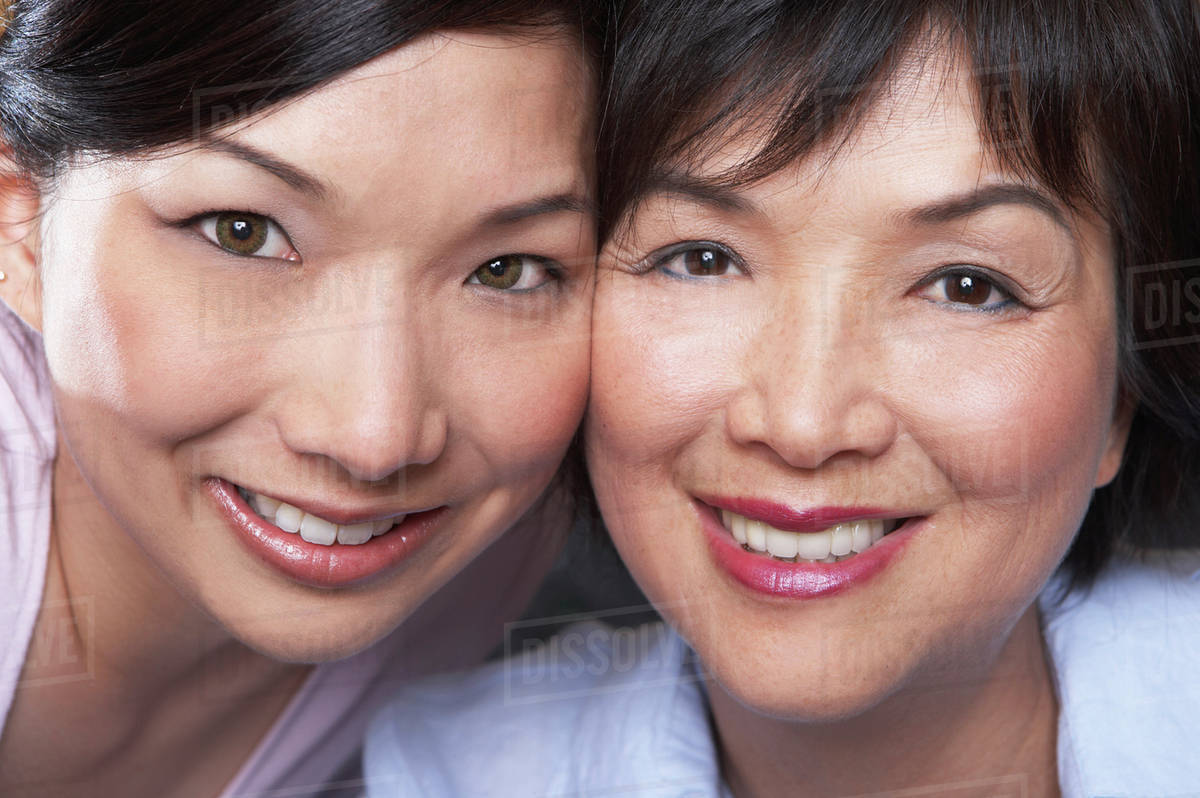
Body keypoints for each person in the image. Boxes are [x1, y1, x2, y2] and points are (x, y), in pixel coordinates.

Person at [363, 1, 1200, 795]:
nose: (803, 423)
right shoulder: (445, 774)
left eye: (966, 285)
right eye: (702, 259)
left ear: (1124, 391)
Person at [0, 1, 605, 795]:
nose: (376, 441)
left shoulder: (492, 543)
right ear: (21, 226)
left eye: (509, 272)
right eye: (242, 231)